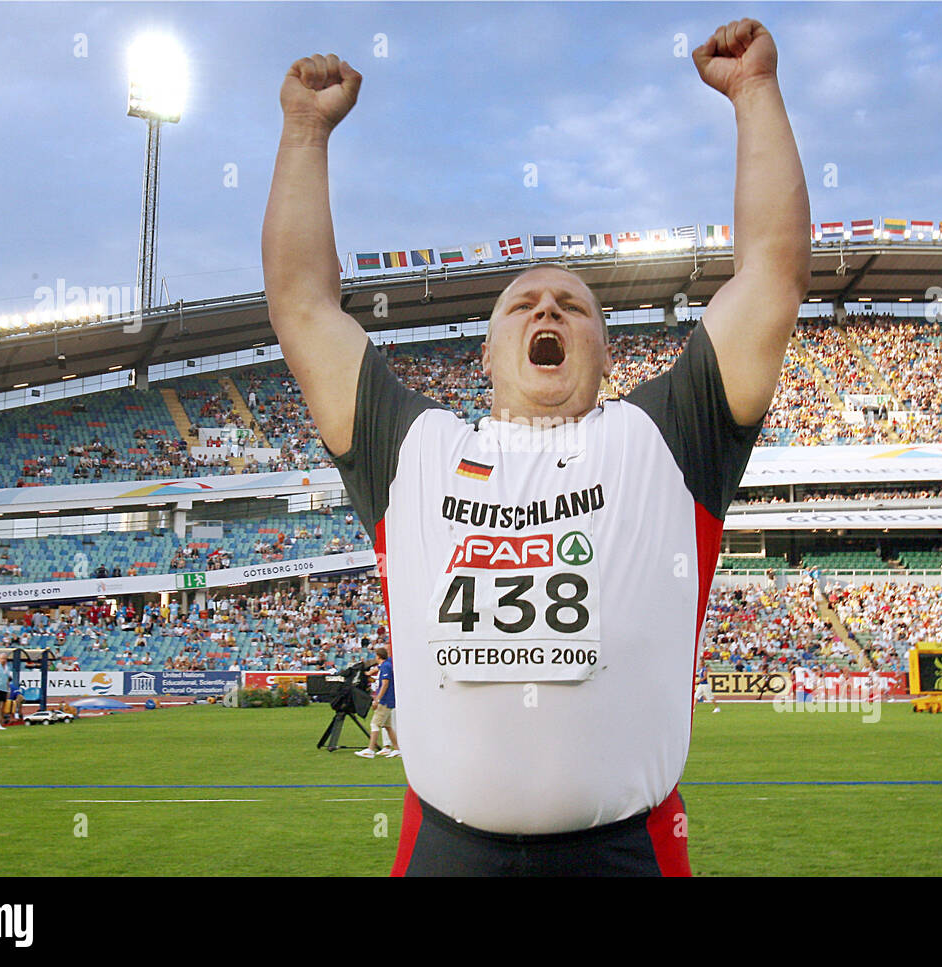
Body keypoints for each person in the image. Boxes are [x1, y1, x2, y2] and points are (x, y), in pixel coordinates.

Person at [263, 18, 808, 876]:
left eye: (573, 305)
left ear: (605, 350)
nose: (548, 311)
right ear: (486, 356)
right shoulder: (414, 449)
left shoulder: (662, 440)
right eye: (524, 305)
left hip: (625, 851)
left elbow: (772, 274)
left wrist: (755, 94)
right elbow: (301, 305)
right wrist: (304, 132)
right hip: (448, 849)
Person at [356, 647, 401, 758]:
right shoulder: (385, 665)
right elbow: (377, 669)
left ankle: (370, 750)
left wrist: (377, 699)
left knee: (375, 724)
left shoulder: (385, 667)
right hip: (389, 700)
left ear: (378, 656)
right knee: (387, 725)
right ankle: (397, 749)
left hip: (385, 700)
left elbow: (385, 684)